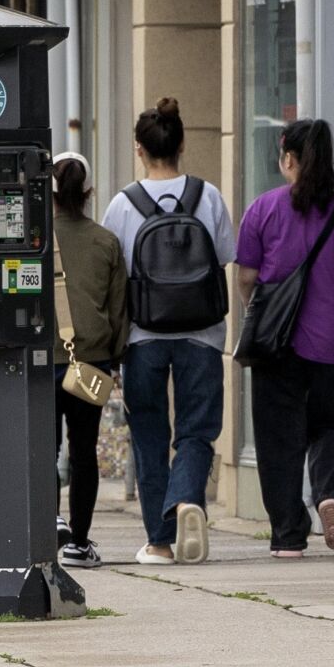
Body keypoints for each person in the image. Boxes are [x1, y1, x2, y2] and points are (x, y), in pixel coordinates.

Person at [236, 119, 334, 557]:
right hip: (333, 342)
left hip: (277, 344)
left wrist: (256, 312)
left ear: (289, 159)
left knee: (277, 438)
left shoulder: (263, 209)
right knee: (328, 421)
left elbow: (245, 276)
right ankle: (327, 493)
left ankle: (288, 536)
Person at [102, 98, 235, 566]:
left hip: (143, 336)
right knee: (197, 430)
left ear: (139, 149)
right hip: (203, 334)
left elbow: (113, 272)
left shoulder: (123, 204)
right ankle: (186, 500)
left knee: (149, 435)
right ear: (182, 145)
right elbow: (224, 256)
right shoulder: (208, 196)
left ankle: (159, 542)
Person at [50, 150, 127, 569]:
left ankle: (51, 520)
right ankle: (79, 544)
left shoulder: (33, 240)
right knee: (83, 452)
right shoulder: (106, 241)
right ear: (89, 191)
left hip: (42, 363)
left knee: (43, 449)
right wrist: (115, 358)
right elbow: (118, 311)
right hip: (91, 361)